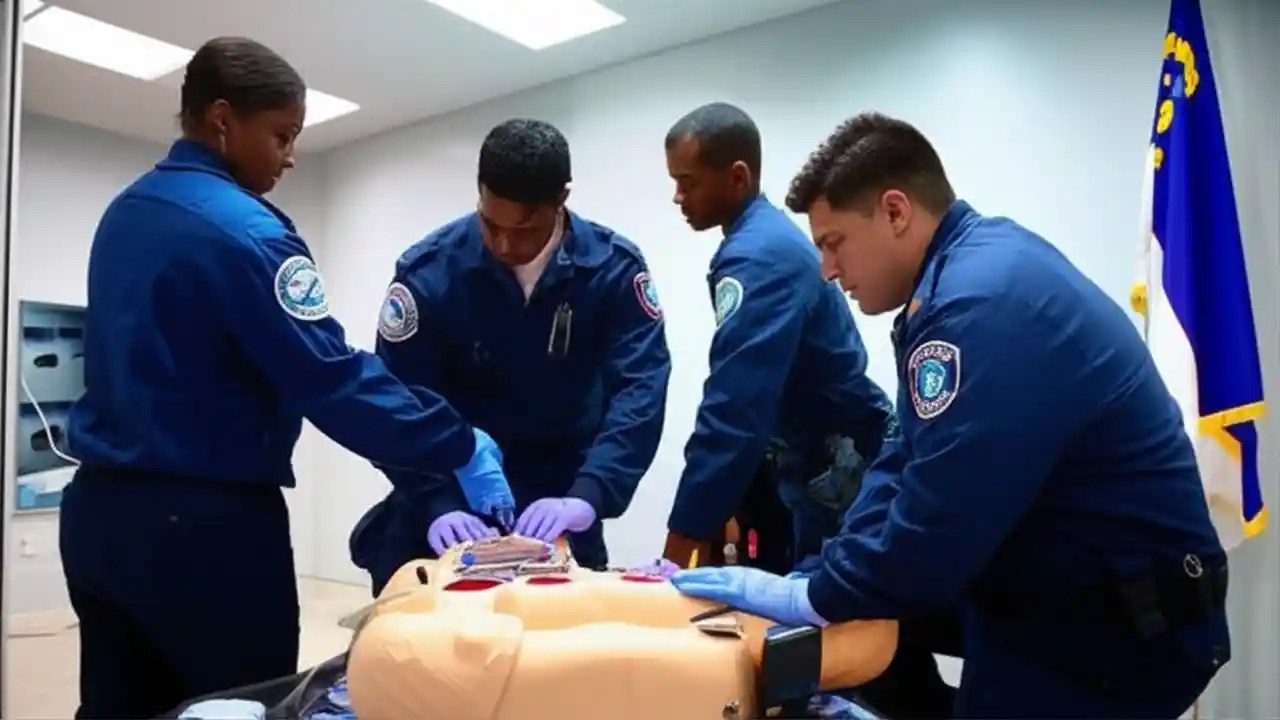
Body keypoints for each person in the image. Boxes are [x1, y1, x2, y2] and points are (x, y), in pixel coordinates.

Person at [670, 112, 1231, 718]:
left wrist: (818, 593)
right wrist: (821, 573)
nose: (827, 270)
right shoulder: (957, 280)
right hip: (1057, 588)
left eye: (834, 244)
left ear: (895, 212)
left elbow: (935, 523)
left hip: (1118, 628)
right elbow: (901, 461)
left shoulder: (976, 306)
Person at [58, 38, 515, 719]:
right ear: (222, 120)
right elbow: (332, 379)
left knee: (119, 708)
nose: (290, 155)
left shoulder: (127, 211)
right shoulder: (248, 232)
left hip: (98, 514)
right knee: (244, 704)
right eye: (281, 135)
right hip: (203, 531)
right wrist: (459, 443)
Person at [349, 118, 672, 595]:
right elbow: (397, 398)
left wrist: (591, 494)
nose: (503, 244)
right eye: (490, 224)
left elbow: (640, 391)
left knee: (559, 631)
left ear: (561, 199)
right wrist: (436, 501)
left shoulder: (612, 270)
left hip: (558, 500)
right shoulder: (431, 271)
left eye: (523, 230)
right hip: (446, 490)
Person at [660, 102, 895, 576]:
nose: (678, 197)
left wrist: (679, 545)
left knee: (835, 613)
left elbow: (735, 405)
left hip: (837, 467)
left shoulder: (759, 257)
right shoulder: (762, 240)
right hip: (812, 459)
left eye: (688, 182)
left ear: (737, 177)